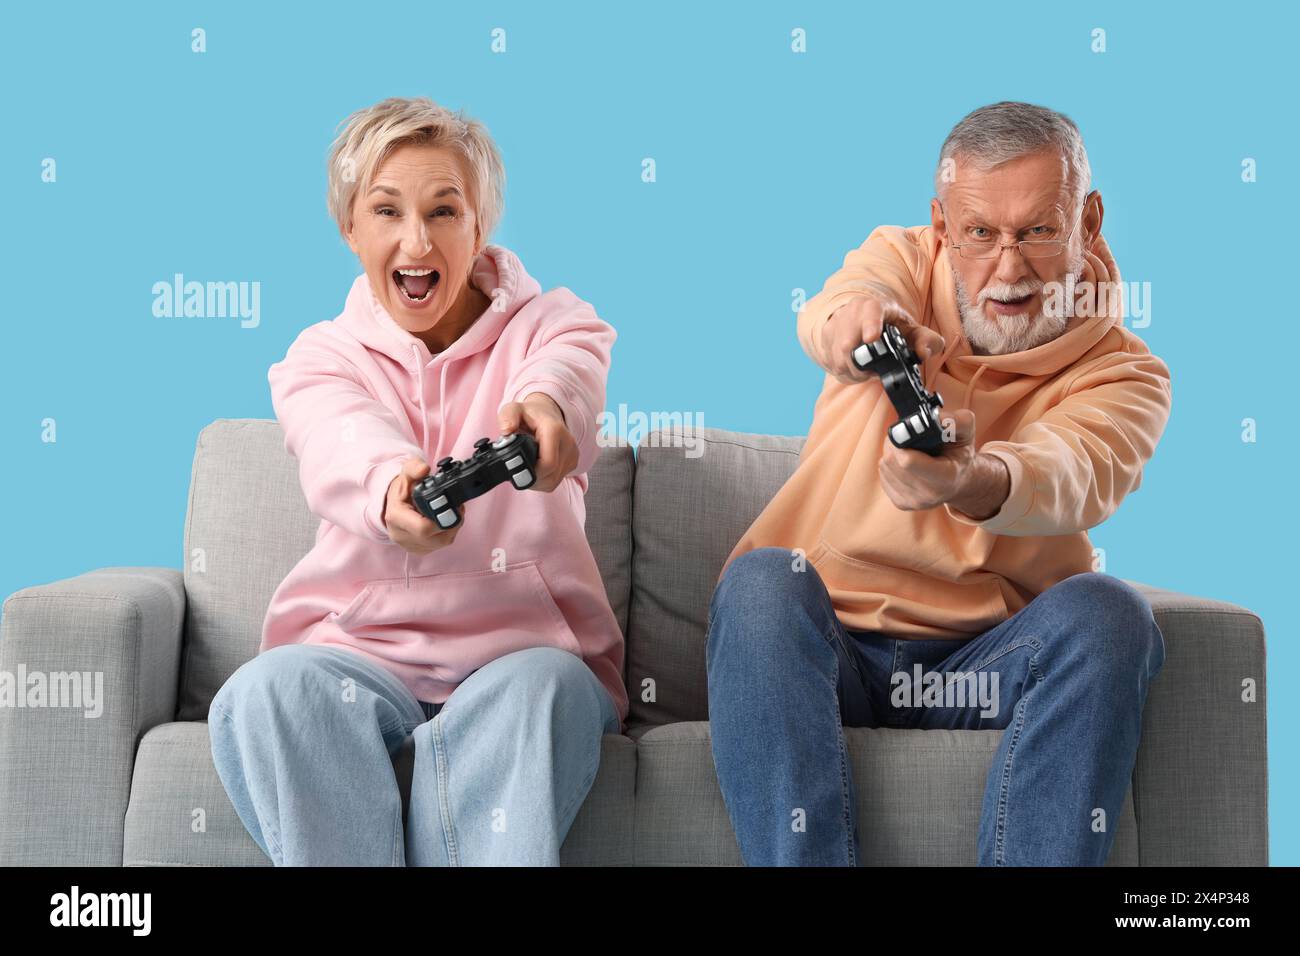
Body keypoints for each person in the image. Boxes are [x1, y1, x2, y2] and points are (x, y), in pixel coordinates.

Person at [706, 101, 1171, 866]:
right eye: (980, 233)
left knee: (1110, 613)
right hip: (831, 648)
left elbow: (1069, 472)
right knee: (761, 583)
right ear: (943, 224)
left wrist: (970, 477)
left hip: (989, 662)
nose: (1008, 269)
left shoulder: (1127, 374)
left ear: (1088, 222)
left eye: (1039, 231)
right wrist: (862, 325)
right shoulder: (900, 257)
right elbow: (841, 306)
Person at [208, 96, 626, 866]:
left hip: (522, 649)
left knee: (542, 691)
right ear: (350, 230)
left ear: (478, 227)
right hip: (359, 651)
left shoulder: (558, 323)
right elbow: (338, 437)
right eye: (387, 211)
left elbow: (564, 375)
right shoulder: (318, 358)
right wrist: (388, 488)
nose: (417, 239)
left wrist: (545, 414)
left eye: (444, 211)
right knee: (266, 692)